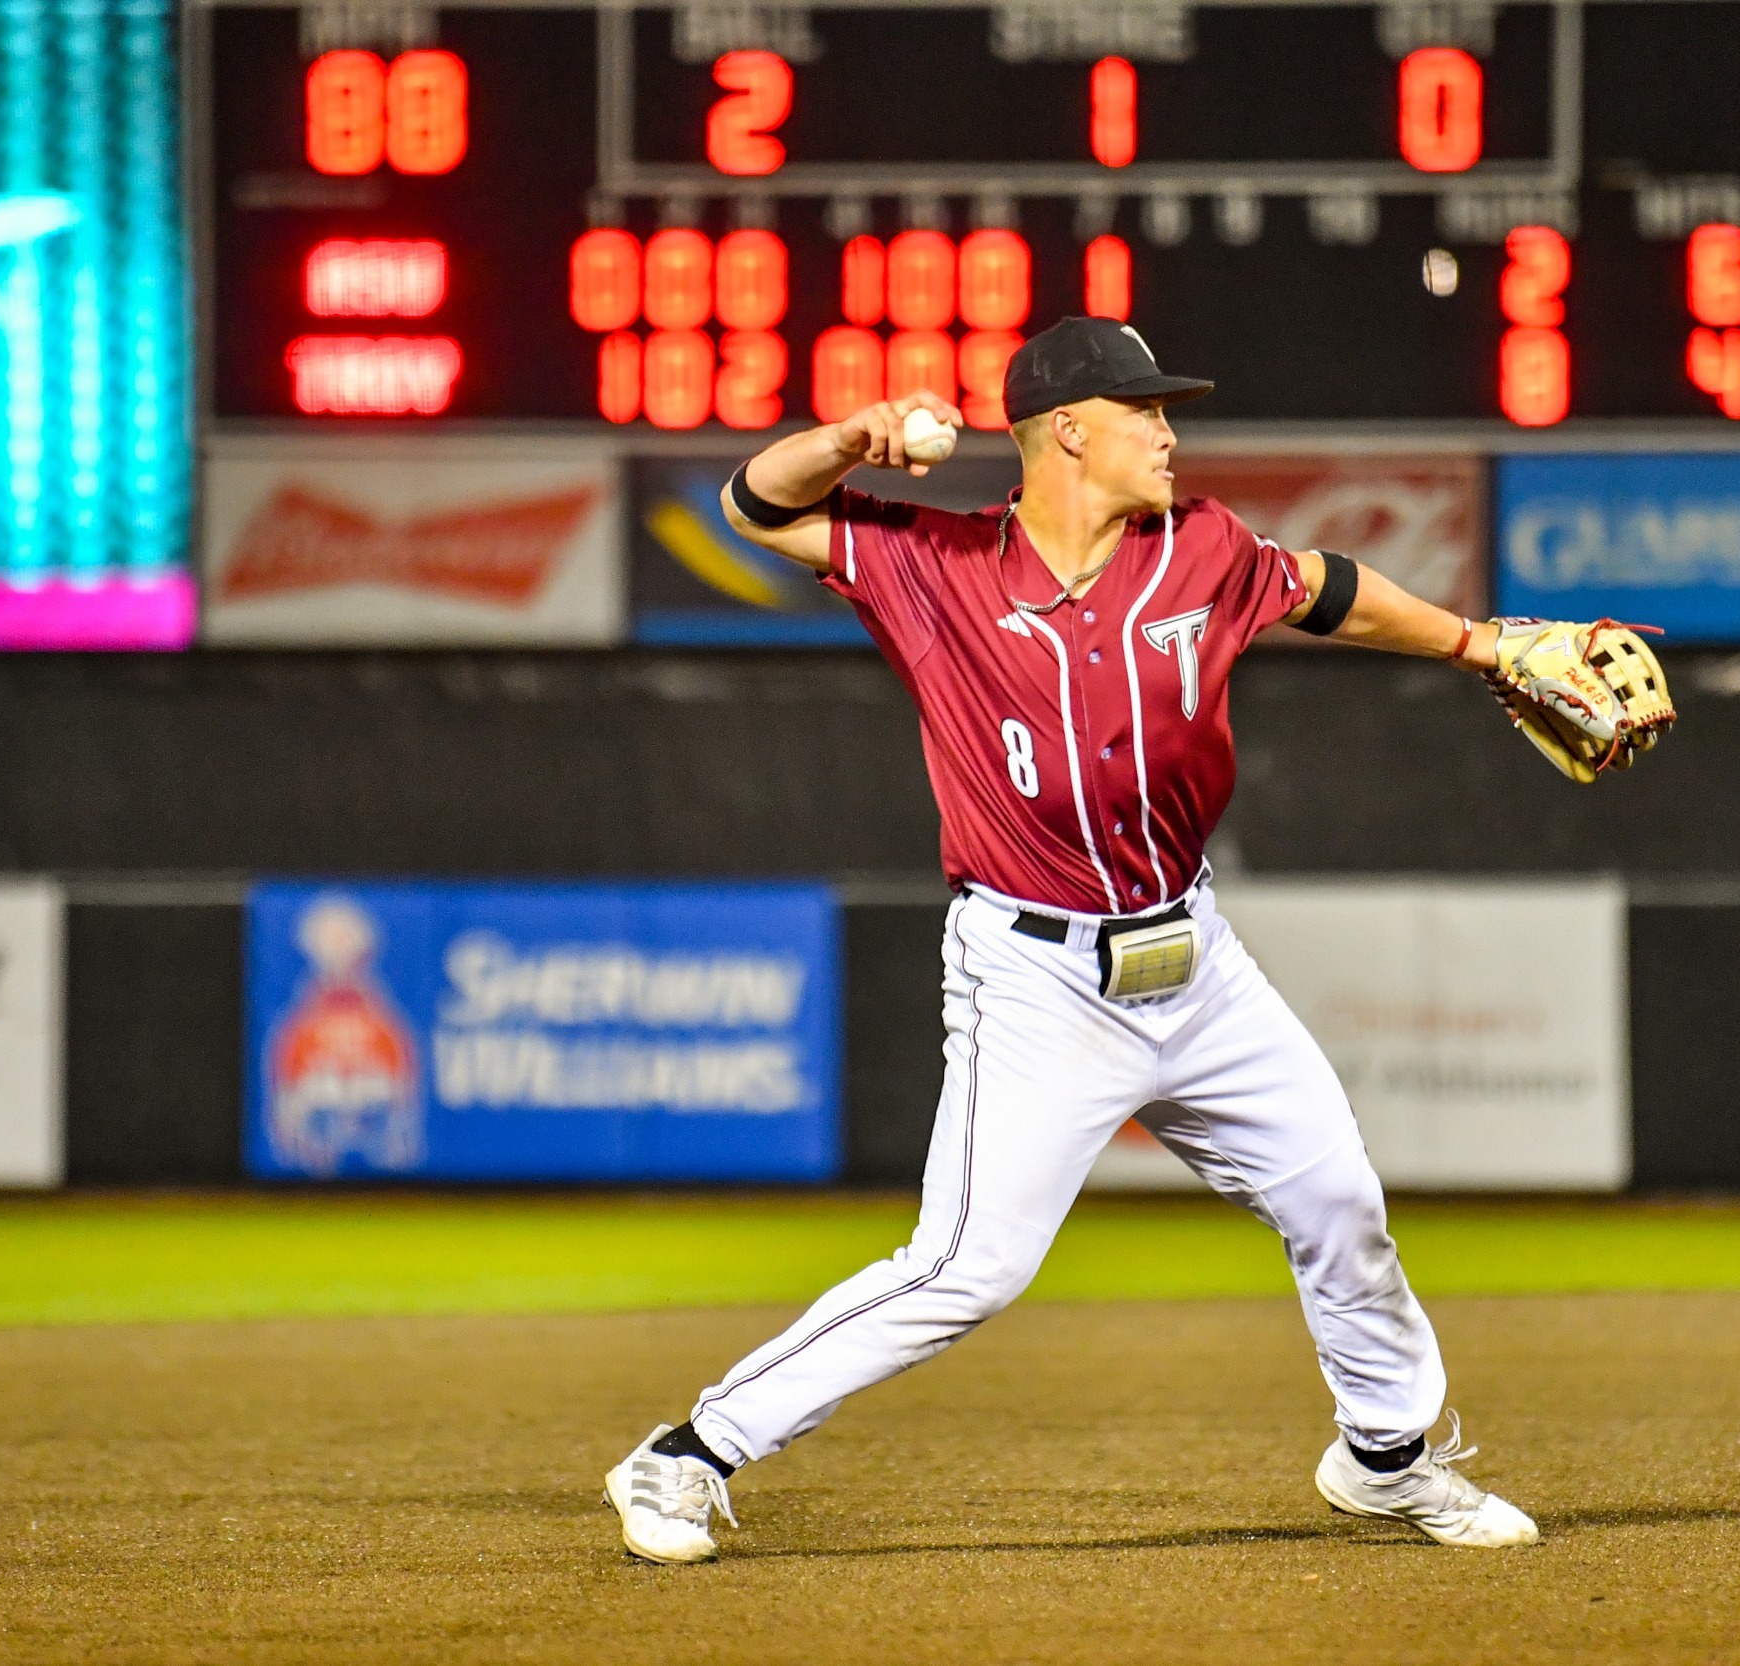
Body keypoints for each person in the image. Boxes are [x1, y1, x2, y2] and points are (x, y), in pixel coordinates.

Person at [606, 316, 1539, 1562]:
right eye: (1144, 410)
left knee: (1336, 1197)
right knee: (967, 1265)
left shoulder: (1199, 546)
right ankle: (688, 1454)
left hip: (1196, 965)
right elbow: (751, 507)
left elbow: (1329, 591)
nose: (1169, 431)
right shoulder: (926, 564)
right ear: (1066, 429)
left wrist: (1480, 645)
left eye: (1167, 409)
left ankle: (1384, 1458)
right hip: (1035, 976)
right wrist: (848, 437)